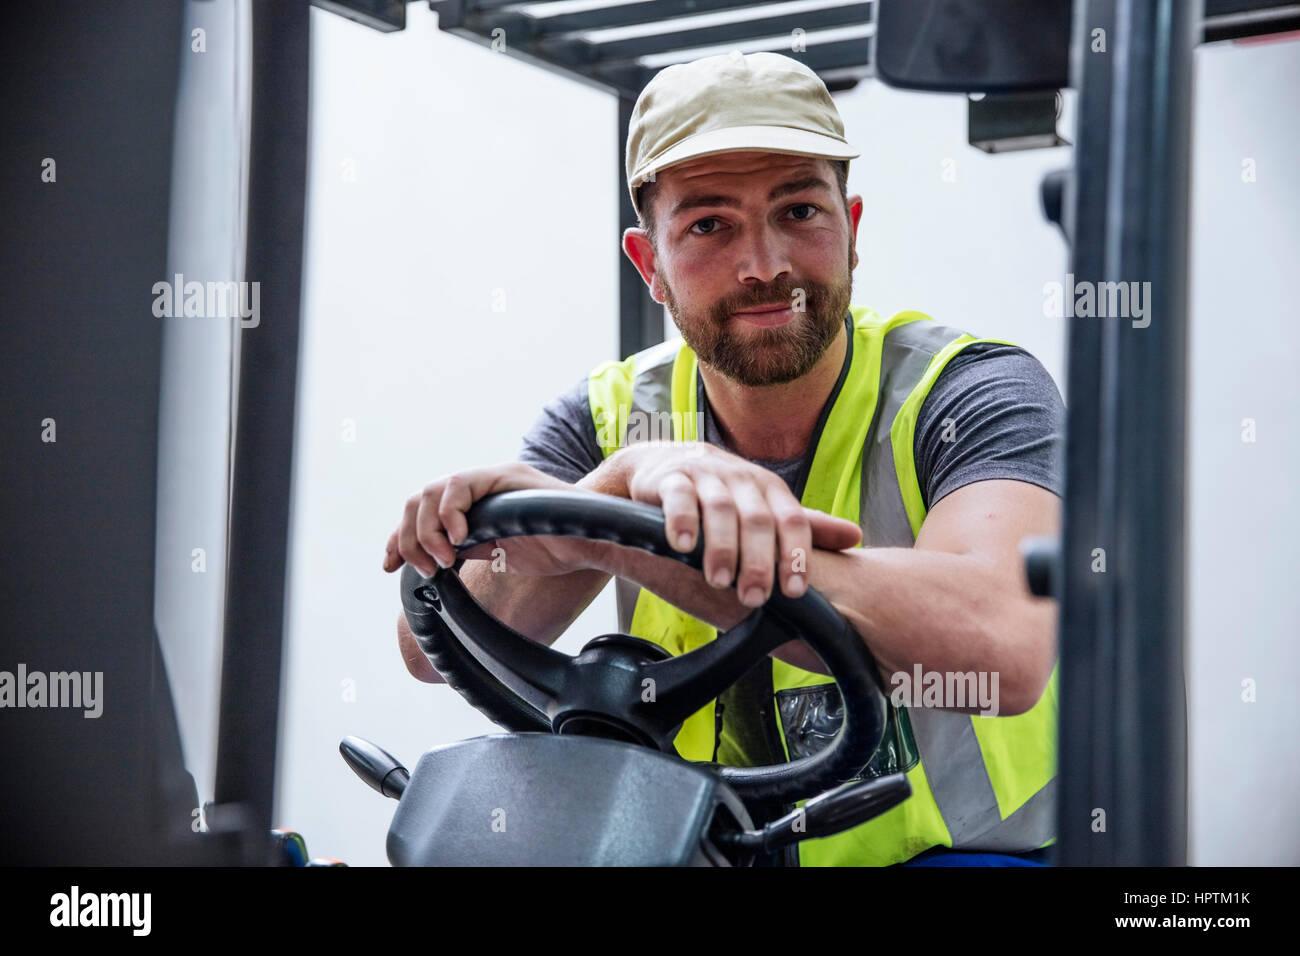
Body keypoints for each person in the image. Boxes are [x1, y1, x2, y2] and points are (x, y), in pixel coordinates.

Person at [383, 51, 1064, 867]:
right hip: (698, 850)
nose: (766, 265)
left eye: (800, 212)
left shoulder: (970, 392)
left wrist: (612, 529)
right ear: (651, 267)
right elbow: (432, 644)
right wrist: (619, 487)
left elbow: (1001, 651)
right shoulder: (606, 418)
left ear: (851, 229)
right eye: (708, 225)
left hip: (970, 860)